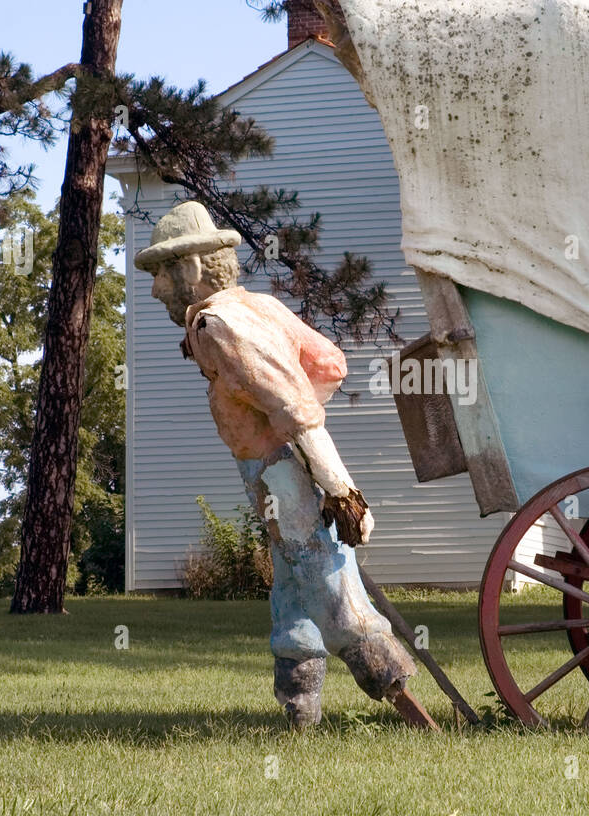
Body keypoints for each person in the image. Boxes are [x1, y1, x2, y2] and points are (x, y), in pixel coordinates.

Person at [134, 201, 419, 728]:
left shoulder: (220, 325)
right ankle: (299, 716)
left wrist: (337, 488)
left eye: (159, 275)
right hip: (275, 468)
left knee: (331, 592)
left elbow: (293, 405)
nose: (155, 290)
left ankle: (412, 711)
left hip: (281, 473)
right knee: (291, 596)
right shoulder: (258, 308)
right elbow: (330, 362)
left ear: (190, 269)